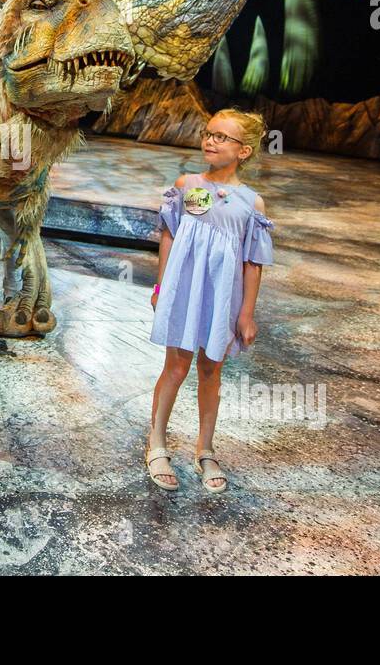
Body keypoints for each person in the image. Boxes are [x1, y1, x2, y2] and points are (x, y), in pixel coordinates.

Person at [145, 108, 277, 493]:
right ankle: (156, 443)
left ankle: (205, 449)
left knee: (210, 369)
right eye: (209, 133)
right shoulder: (187, 184)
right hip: (185, 288)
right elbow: (169, 235)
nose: (211, 140)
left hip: (223, 296)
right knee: (176, 365)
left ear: (244, 151)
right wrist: (161, 286)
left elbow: (253, 263)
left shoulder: (252, 203)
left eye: (222, 137)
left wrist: (247, 314)